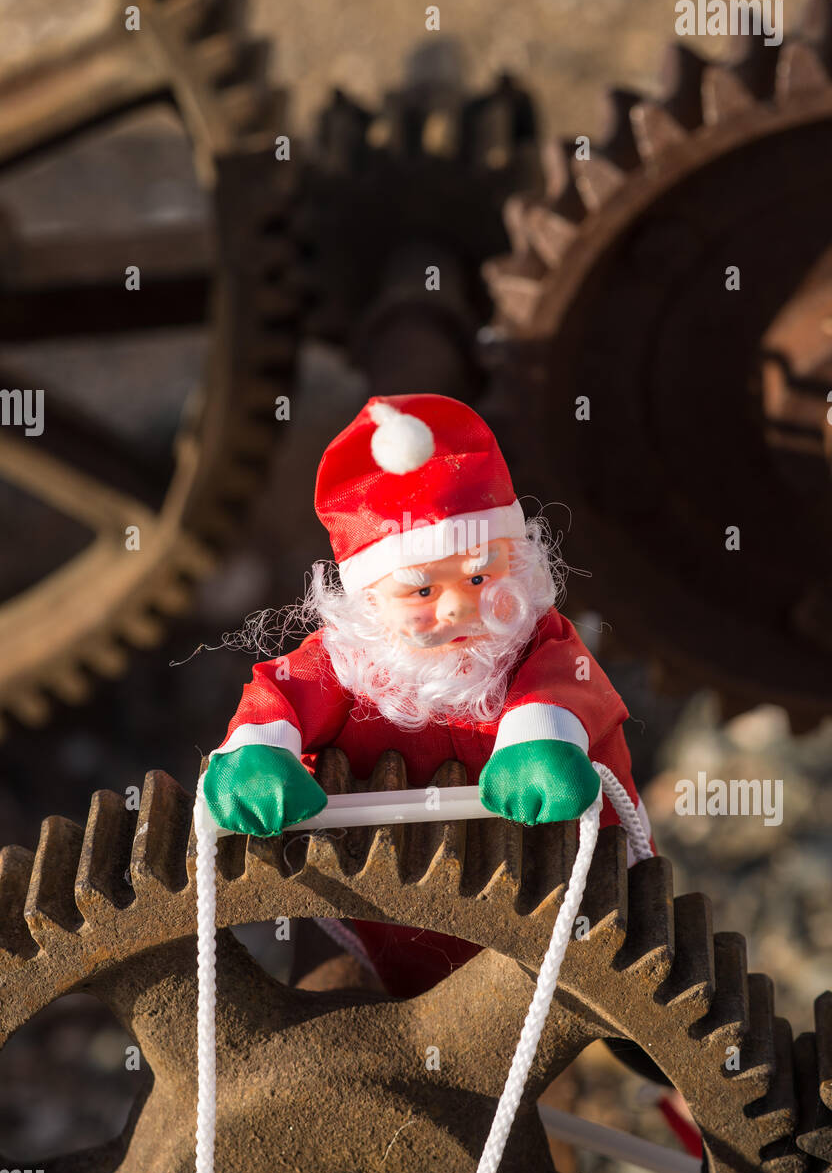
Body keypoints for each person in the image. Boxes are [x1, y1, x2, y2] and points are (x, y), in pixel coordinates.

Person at [202, 393, 654, 995]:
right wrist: (258, 752)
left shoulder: (536, 643)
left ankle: (654, 1070)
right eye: (420, 592)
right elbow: (281, 693)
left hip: (539, 899)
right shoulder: (349, 661)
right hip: (365, 903)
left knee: (629, 992)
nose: (459, 607)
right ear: (368, 599)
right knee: (325, 982)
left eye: (478, 575)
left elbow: (565, 681)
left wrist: (539, 736)